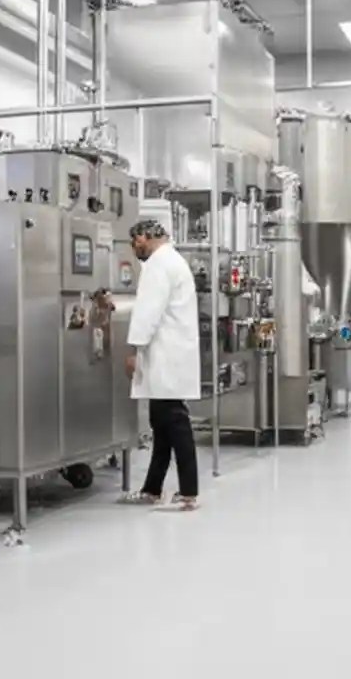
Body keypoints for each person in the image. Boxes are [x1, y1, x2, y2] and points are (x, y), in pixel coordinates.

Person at [121, 218, 201, 511]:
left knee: (175, 424)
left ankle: (189, 491)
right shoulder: (172, 261)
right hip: (170, 355)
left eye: (136, 241)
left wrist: (134, 349)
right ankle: (152, 488)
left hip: (165, 356)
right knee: (163, 425)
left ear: (147, 236)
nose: (134, 248)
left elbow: (148, 313)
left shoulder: (158, 265)